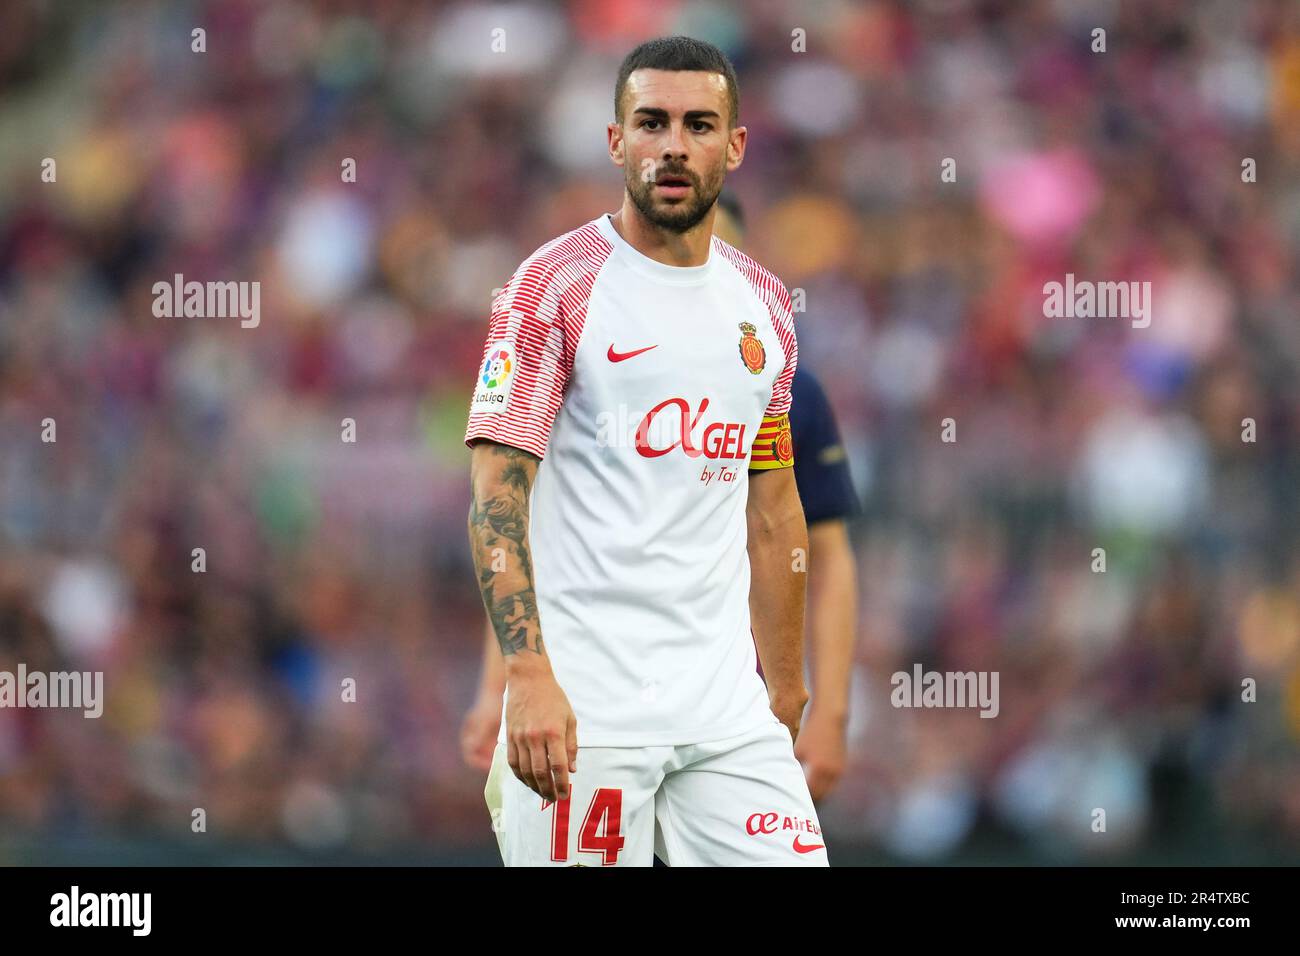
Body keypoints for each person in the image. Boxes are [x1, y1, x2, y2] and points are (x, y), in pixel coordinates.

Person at [464, 36, 826, 866]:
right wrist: (527, 677)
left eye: (699, 124)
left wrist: (787, 679)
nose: (672, 144)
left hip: (728, 714)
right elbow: (495, 493)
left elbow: (773, 510)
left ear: (734, 145)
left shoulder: (764, 307)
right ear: (615, 141)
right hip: (586, 710)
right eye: (651, 122)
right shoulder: (553, 286)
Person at [460, 195, 862, 806]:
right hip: (590, 697)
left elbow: (806, 543)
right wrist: (509, 680)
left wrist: (808, 698)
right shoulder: (570, 301)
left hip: (723, 705)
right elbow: (515, 511)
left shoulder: (783, 375)